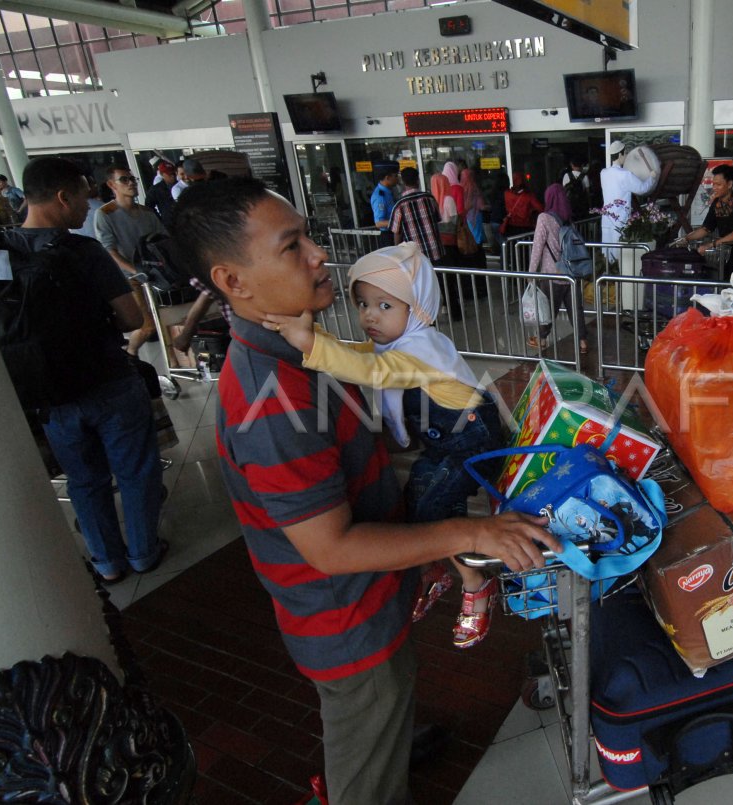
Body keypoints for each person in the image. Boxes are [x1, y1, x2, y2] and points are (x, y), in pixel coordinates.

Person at [170, 177, 560, 804]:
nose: (320, 255)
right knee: (367, 767)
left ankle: (395, 740)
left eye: (309, 236)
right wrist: (474, 532)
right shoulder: (272, 398)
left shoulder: (307, 352)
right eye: (291, 246)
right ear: (233, 281)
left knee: (387, 707)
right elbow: (330, 548)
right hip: (347, 619)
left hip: (375, 597)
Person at [262, 243, 507, 649]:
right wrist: (314, 336)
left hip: (470, 442)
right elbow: (360, 353)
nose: (370, 316)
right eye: (362, 304)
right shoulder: (397, 344)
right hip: (447, 443)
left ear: (419, 309)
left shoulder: (423, 349)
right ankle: (442, 567)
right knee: (427, 501)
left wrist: (310, 343)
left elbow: (371, 370)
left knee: (429, 510)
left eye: (385, 305)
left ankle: (475, 583)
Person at [13, 157, 167, 583]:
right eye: (83, 195)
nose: (88, 205)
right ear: (62, 196)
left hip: (48, 394)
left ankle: (105, 561)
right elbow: (132, 319)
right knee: (135, 470)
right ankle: (142, 553)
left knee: (83, 480)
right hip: (107, 381)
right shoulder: (82, 252)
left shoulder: (3, 253)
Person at [94, 166, 168, 356]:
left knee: (165, 320)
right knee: (147, 325)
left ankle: (174, 363)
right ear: (112, 185)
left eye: (132, 179)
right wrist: (135, 270)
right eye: (124, 180)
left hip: (153, 274)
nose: (131, 183)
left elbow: (163, 240)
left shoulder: (147, 212)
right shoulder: (105, 214)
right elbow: (109, 250)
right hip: (129, 277)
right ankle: (131, 353)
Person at [527, 183, 588, 354]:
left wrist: (531, 272)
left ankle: (542, 339)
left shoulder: (544, 218)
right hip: (572, 273)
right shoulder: (567, 218)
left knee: (548, 309)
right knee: (576, 310)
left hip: (552, 273)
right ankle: (583, 342)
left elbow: (537, 247)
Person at [681, 164, 733, 280]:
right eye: (713, 184)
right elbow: (706, 229)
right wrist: (686, 238)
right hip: (728, 255)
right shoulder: (717, 203)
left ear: (729, 184)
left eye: (718, 184)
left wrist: (711, 244)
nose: (714, 188)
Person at [599, 141, 655, 264]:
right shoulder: (625, 175)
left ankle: (608, 280)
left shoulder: (603, 173)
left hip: (607, 219)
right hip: (620, 220)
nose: (625, 156)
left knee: (608, 255)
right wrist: (652, 177)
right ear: (620, 155)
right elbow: (642, 189)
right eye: (624, 153)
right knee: (619, 256)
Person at [389, 166, 443, 263]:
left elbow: (397, 233)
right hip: (436, 252)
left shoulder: (399, 206)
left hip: (415, 257)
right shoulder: (429, 198)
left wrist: (398, 251)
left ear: (403, 182)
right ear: (417, 180)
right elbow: (437, 219)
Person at [501, 171, 543, 239]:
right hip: (525, 228)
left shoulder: (506, 194)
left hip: (510, 227)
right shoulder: (529, 196)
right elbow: (541, 209)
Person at [370, 166, 400, 246]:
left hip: (394, 232)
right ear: (387, 177)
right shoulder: (380, 196)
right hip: (388, 235)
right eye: (395, 176)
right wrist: (399, 221)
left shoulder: (389, 191)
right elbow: (379, 223)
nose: (398, 179)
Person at [145, 160, 179, 227]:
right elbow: (148, 206)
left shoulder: (180, 185)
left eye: (174, 173)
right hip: (169, 225)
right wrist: (160, 220)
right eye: (169, 174)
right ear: (162, 175)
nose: (173, 176)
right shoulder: (156, 190)